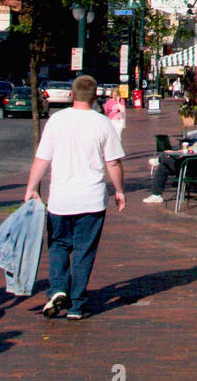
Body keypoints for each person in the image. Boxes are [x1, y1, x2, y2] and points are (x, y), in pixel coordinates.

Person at [23, 73, 126, 319]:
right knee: (84, 250)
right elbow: (112, 163)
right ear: (95, 97)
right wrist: (119, 190)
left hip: (60, 198)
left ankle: (58, 288)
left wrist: (31, 187)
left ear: (72, 94)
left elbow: (42, 158)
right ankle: (77, 305)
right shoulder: (103, 123)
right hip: (91, 198)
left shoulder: (57, 121)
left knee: (58, 245)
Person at [142, 115, 197, 203]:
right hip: (192, 164)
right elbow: (193, 150)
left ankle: (159, 160)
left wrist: (174, 153)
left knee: (165, 157)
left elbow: (193, 151)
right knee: (163, 166)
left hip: (193, 168)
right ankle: (156, 195)